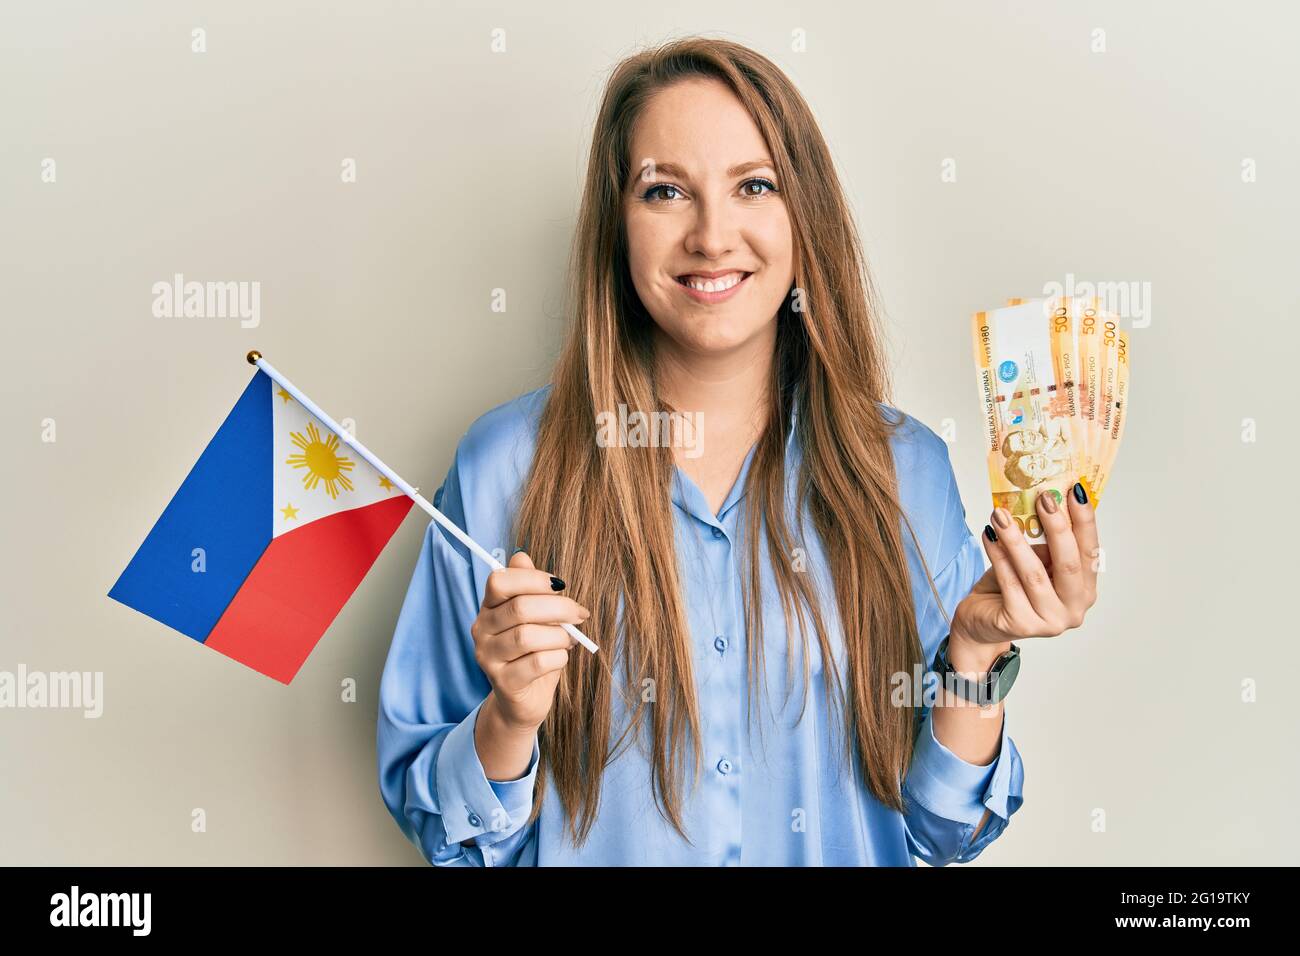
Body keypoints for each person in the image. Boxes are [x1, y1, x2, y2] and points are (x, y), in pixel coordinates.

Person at [376, 37, 1101, 866]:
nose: (712, 236)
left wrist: (974, 652)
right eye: (665, 191)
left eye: (754, 185)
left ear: (806, 217)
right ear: (617, 223)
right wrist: (509, 717)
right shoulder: (504, 464)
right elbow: (450, 838)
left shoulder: (905, 470)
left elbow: (941, 831)